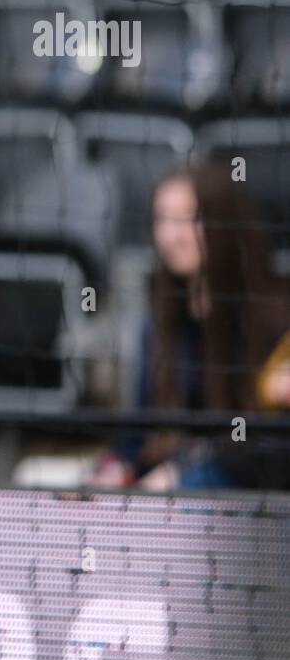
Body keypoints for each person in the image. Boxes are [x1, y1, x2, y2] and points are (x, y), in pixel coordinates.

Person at [91, 160, 290, 492]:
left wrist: (181, 474)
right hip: (177, 487)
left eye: (188, 219)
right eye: (163, 220)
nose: (171, 236)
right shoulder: (158, 324)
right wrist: (116, 468)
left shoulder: (273, 320)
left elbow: (264, 446)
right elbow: (139, 432)